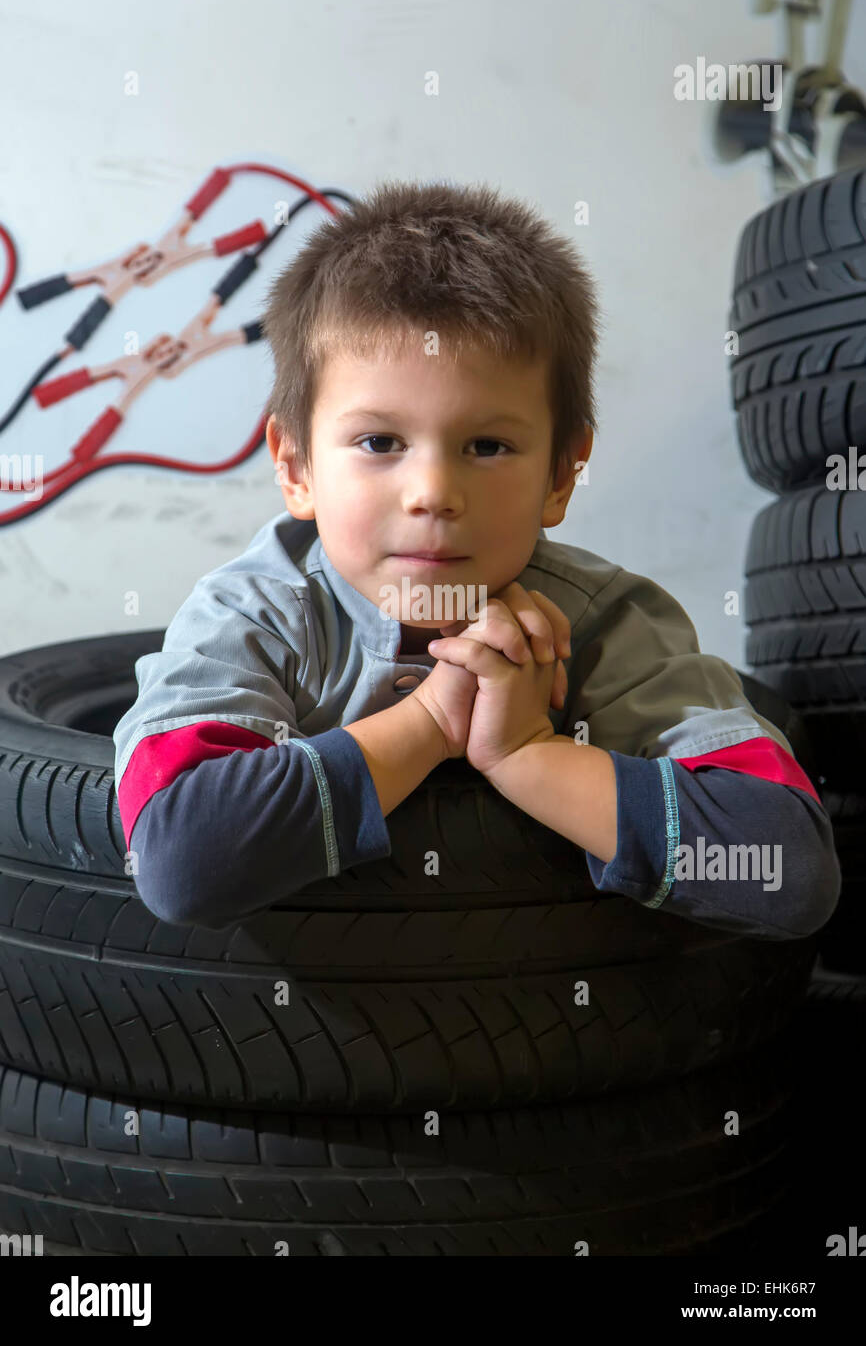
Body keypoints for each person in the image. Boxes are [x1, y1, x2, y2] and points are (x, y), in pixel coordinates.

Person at [112, 177, 841, 939]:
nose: (432, 492)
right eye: (379, 442)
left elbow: (783, 873)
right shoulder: (252, 616)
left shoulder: (606, 624)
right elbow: (183, 861)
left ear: (560, 475)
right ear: (296, 468)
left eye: (486, 446)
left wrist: (527, 753)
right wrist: (431, 720)